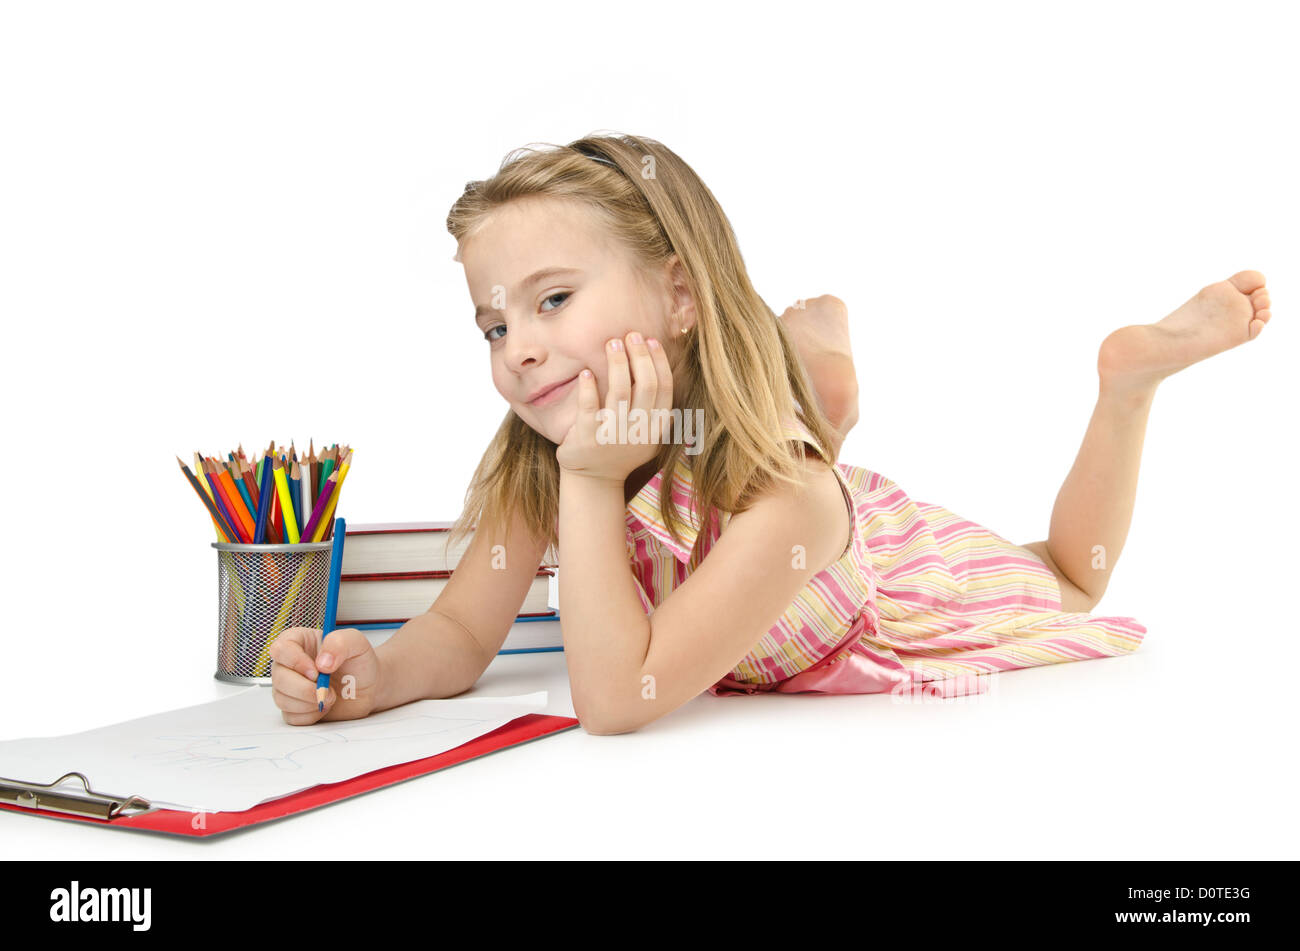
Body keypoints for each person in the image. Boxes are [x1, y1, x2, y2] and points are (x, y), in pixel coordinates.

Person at [270, 132, 1273, 734]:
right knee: (779, 410)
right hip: (744, 474)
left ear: (676, 291)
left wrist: (590, 480)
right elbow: (458, 630)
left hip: (866, 580)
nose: (518, 350)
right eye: (494, 325)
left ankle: (1124, 385)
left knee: (1067, 576)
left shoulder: (786, 499)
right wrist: (377, 677)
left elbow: (618, 701)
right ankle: (807, 371)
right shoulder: (534, 465)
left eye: (554, 300)